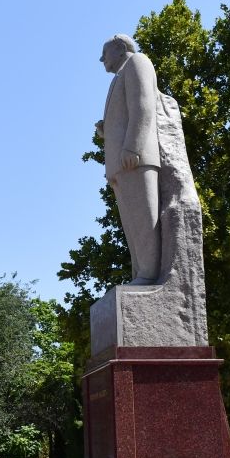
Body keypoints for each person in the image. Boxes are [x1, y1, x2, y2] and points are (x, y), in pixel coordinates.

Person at [96, 33, 162, 285]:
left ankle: (148, 274)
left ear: (120, 47)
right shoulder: (119, 76)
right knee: (132, 226)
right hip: (120, 165)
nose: (102, 59)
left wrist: (132, 147)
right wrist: (106, 130)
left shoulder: (138, 62)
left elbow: (143, 105)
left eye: (106, 52)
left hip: (135, 158)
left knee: (144, 220)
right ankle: (140, 275)